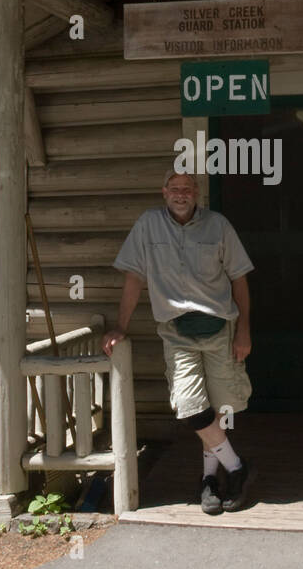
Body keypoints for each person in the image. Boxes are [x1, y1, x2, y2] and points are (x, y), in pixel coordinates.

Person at [101, 170, 255, 514]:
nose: (181, 194)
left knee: (216, 408)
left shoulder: (218, 225)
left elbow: (240, 279)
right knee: (189, 405)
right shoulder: (148, 225)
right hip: (177, 333)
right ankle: (236, 467)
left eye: (188, 189)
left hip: (219, 330)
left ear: (196, 192)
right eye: (175, 189)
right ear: (164, 191)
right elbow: (133, 277)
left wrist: (244, 330)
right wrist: (119, 327)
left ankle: (209, 481)